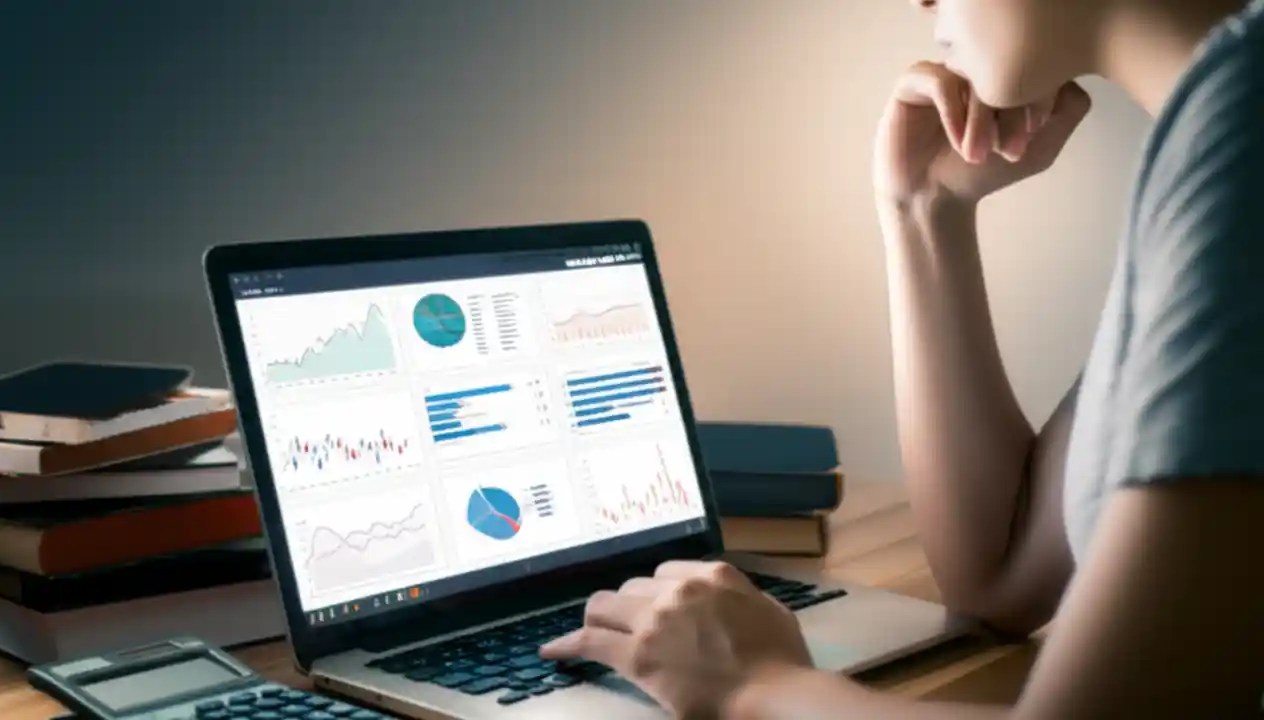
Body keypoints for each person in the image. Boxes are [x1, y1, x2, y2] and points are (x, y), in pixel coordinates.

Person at [540, 0, 1264, 716]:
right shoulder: (1216, 123)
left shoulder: (1246, 123)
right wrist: (924, 208)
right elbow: (998, 581)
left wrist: (754, 687)